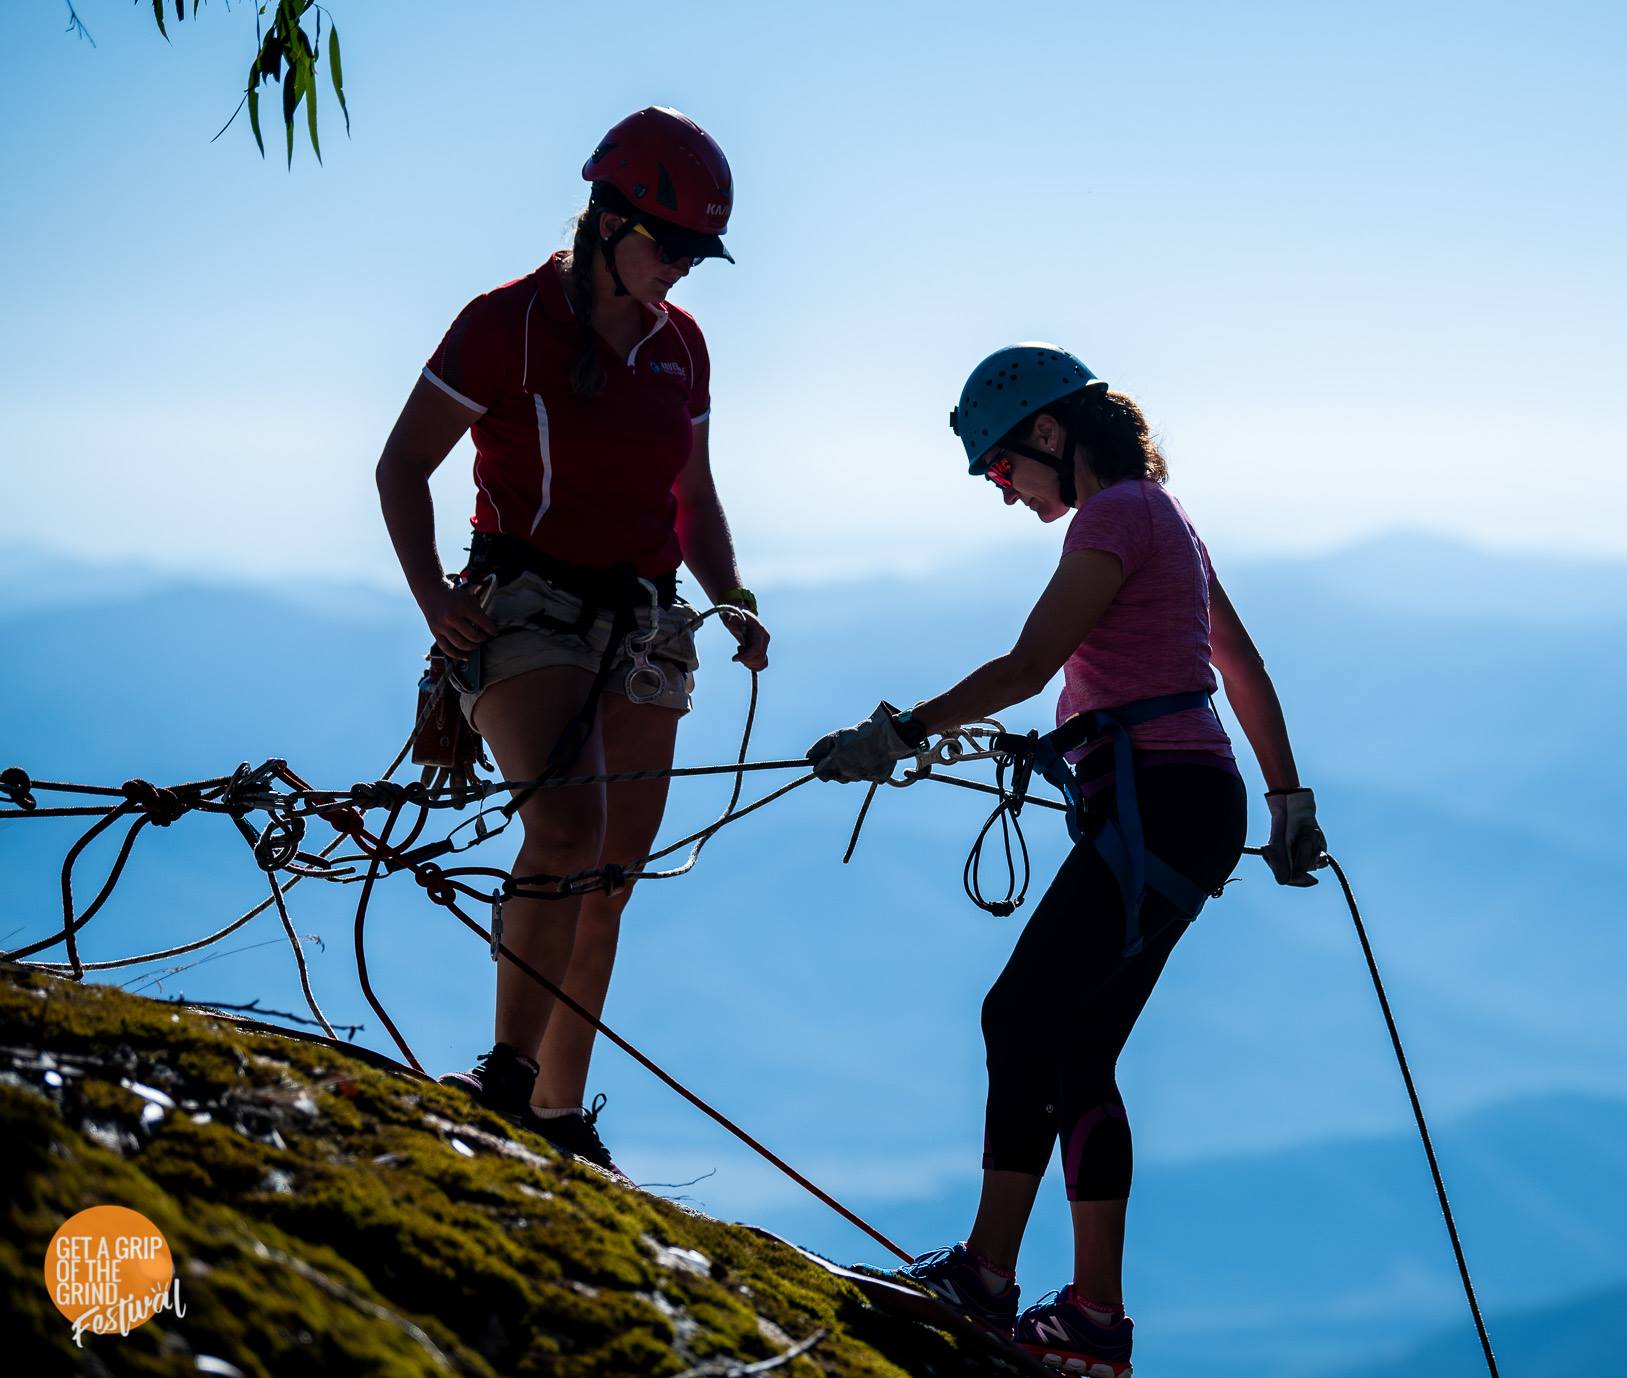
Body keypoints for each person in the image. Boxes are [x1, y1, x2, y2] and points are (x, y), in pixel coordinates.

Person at [808, 344, 1326, 1376]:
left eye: (1001, 469)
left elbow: (1027, 663)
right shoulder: (1162, 515)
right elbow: (1238, 664)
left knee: (1020, 1016)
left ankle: (986, 1277)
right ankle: (1086, 1318)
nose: (1004, 495)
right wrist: (1285, 797)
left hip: (1154, 803)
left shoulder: (1115, 516)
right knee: (1074, 1044)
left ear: (1048, 433)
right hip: (1180, 804)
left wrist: (898, 730)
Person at [374, 107, 769, 1175]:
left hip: (640, 616)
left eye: (697, 252)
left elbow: (689, 492)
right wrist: (431, 603)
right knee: (564, 828)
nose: (684, 269)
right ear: (605, 218)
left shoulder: (680, 348)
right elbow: (401, 465)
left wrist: (728, 594)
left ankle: (554, 1114)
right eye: (670, 244)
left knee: (610, 875)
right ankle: (502, 1077)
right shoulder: (503, 323)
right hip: (525, 603)